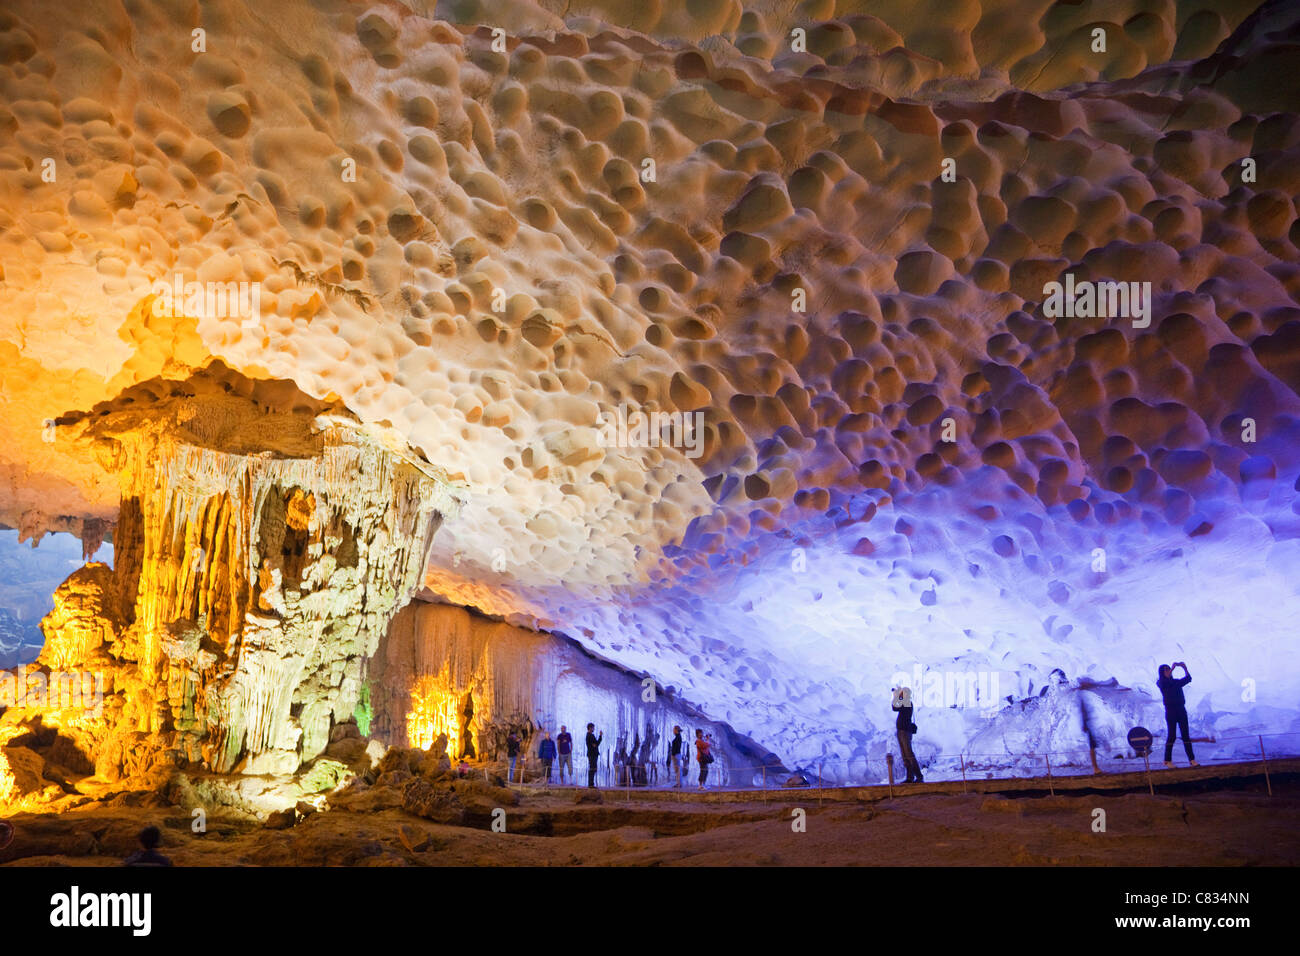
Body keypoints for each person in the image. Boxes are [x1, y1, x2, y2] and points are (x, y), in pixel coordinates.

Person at [1158, 662, 1199, 768]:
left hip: (1181, 710)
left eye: (1168, 669)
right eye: (1166, 670)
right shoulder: (1161, 683)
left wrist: (1185, 668)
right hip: (1171, 711)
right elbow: (1165, 681)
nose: (1168, 671)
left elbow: (1188, 679)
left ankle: (1192, 760)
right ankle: (1167, 760)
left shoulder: (1175, 682)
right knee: (1172, 736)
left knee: (1186, 735)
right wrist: (1173, 668)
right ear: (1162, 673)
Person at [892, 686, 923, 783]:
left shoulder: (907, 703)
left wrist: (897, 696)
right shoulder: (905, 702)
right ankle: (910, 777)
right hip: (901, 731)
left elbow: (895, 707)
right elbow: (895, 707)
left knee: (909, 754)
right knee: (905, 755)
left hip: (905, 732)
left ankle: (919, 776)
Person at [585, 723, 603, 788]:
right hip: (592, 754)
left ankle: (591, 783)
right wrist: (600, 736)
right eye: (593, 727)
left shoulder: (590, 735)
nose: (594, 729)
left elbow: (595, 744)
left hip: (593, 754)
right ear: (590, 728)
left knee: (593, 769)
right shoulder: (590, 736)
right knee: (592, 769)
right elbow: (596, 744)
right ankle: (590, 784)